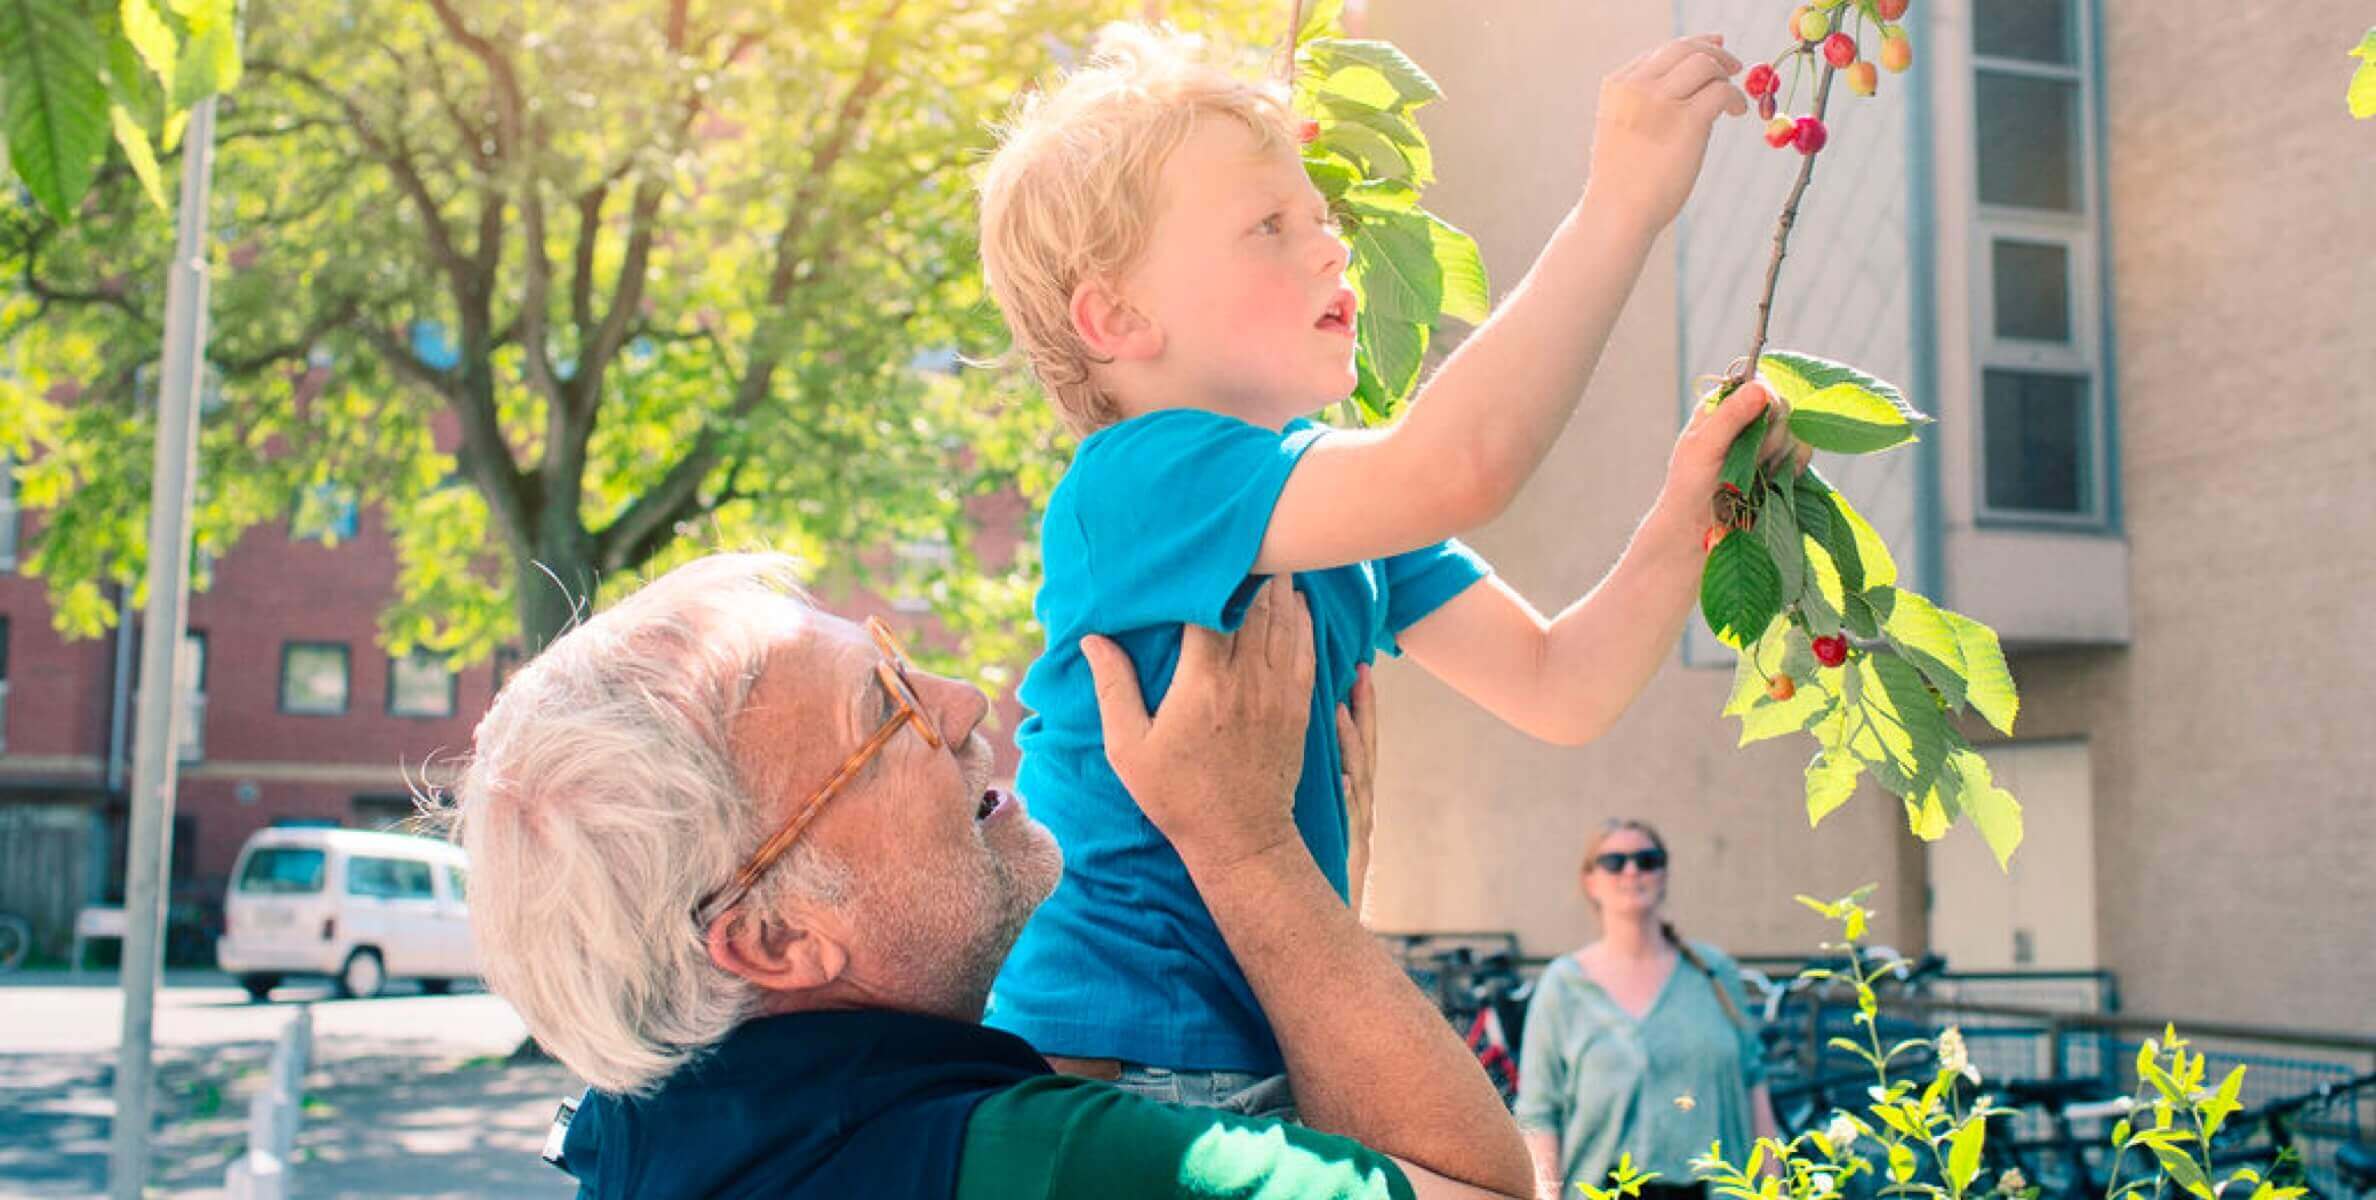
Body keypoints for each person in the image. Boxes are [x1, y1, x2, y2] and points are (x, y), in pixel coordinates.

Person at [974, 23, 1811, 1108]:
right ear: (1118, 317)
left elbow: (1562, 684)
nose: (1331, 249)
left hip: (1263, 1047)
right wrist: (1620, 204)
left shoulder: (1334, 514)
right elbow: (1459, 463)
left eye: (1321, 217)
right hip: (1121, 1054)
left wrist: (1695, 506)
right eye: (1269, 225)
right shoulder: (1139, 480)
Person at [442, 554, 1533, 1199]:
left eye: (895, 657)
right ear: (777, 937)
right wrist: (1255, 851)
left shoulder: (656, 1140)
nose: (965, 699)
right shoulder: (1032, 1166)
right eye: (888, 713)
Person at [1512, 820, 1782, 1200]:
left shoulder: (1714, 972)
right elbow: (1539, 1115)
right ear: (1591, 882)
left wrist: (1774, 1191)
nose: (1632, 871)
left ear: (1664, 874)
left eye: (1646, 860)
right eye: (1614, 862)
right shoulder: (1564, 985)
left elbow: (1754, 1085)